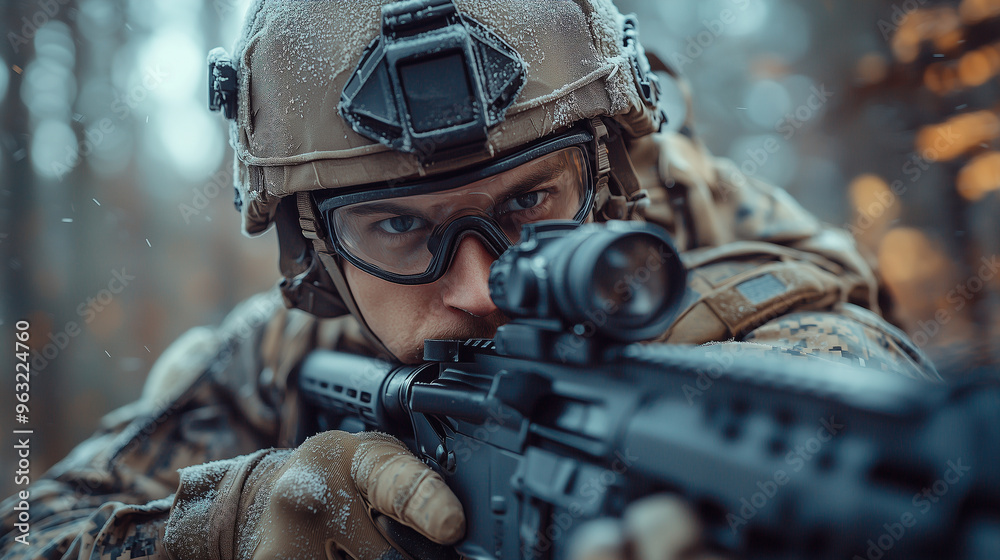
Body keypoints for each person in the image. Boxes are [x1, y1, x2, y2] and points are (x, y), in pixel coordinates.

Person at [0, 1, 941, 558]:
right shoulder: (297, 344)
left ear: (611, 176)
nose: (481, 289)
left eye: (531, 200)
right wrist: (232, 522)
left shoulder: (717, 242)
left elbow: (857, 378)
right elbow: (31, 529)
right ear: (312, 251)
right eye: (400, 226)